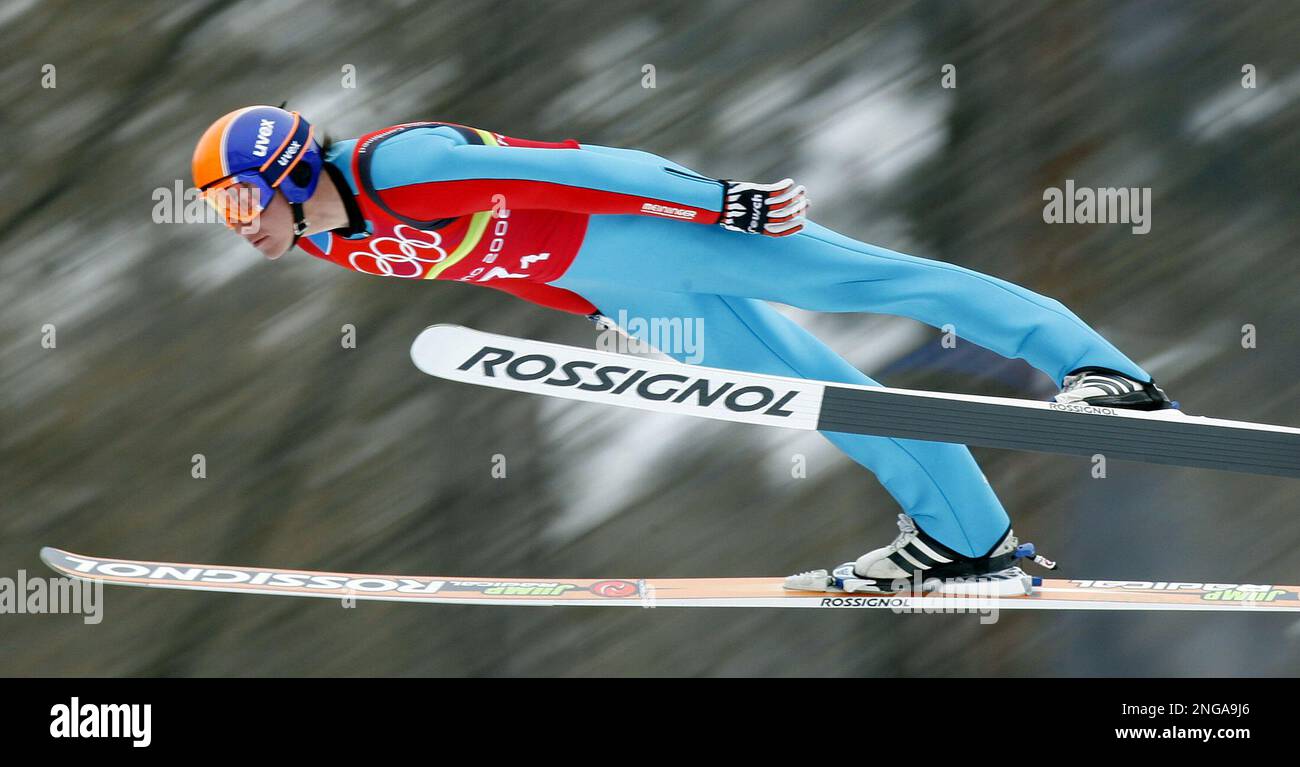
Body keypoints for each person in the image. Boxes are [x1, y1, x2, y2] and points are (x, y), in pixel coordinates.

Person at [193, 105, 1174, 594]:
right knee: (819, 398)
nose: (237, 225)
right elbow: (484, 263)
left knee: (881, 283)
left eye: (238, 201)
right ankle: (968, 541)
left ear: (281, 168)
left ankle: (1107, 373)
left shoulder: (397, 165)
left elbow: (583, 174)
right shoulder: (329, 238)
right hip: (618, 286)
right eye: (221, 213)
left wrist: (720, 200)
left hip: (666, 227)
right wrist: (588, 310)